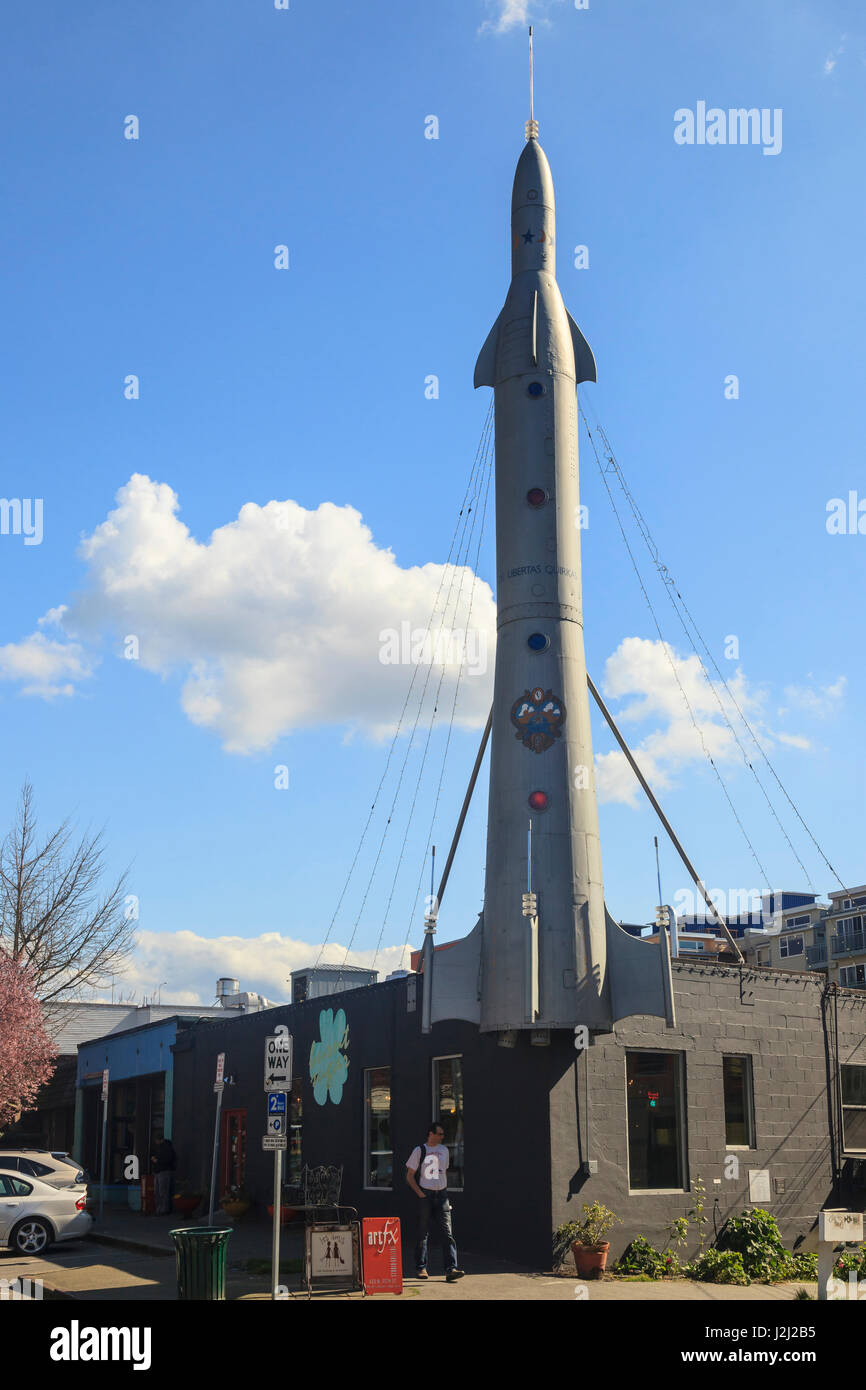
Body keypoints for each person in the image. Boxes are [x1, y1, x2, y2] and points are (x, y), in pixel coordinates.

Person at [406, 1124, 465, 1282]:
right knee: (422, 1233)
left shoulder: (444, 1150)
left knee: (447, 1233)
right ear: (430, 1134)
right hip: (426, 1194)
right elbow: (410, 1175)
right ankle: (421, 1268)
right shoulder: (419, 1150)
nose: (442, 1136)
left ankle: (451, 1268)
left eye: (443, 1134)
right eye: (439, 1134)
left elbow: (443, 1170)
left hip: (442, 1194)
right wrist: (420, 1193)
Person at [151, 1133, 177, 1215]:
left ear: (160, 1140)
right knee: (159, 1192)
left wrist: (157, 1161)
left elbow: (168, 1159)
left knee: (162, 1191)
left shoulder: (166, 1148)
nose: (156, 1142)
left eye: (156, 1140)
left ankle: (163, 1210)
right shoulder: (163, 1147)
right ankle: (160, 1209)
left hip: (163, 1171)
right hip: (160, 1171)